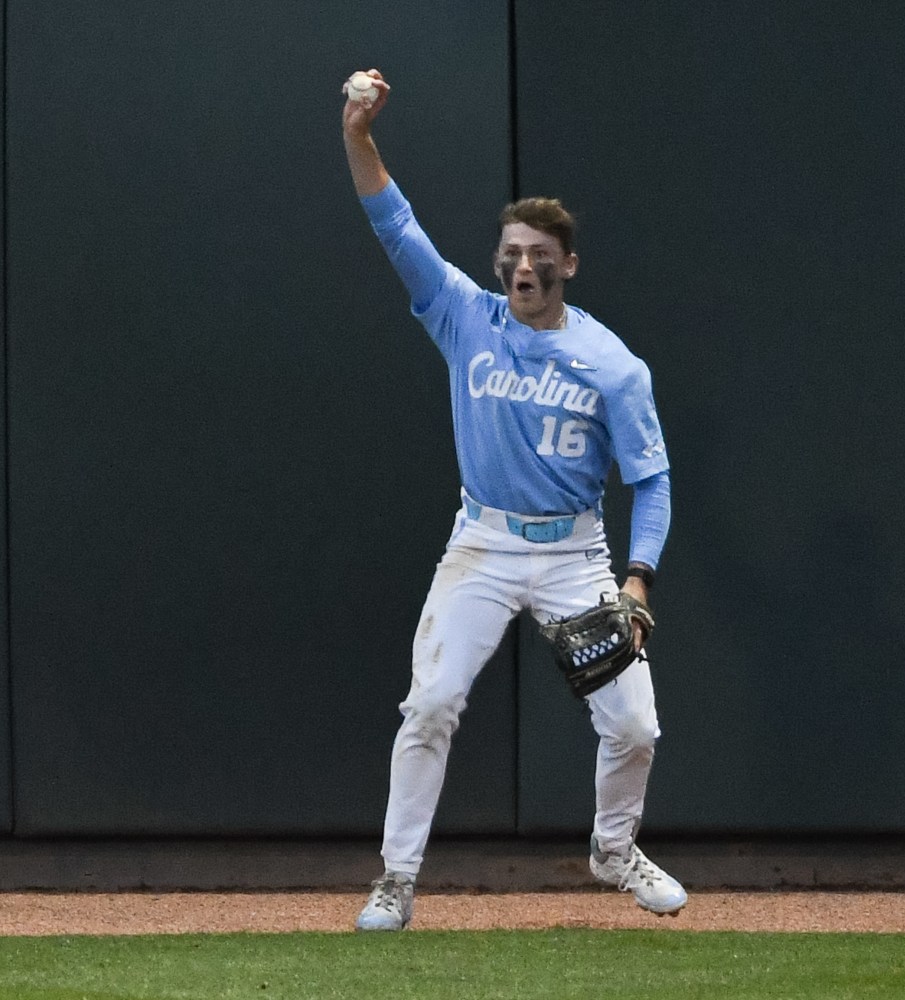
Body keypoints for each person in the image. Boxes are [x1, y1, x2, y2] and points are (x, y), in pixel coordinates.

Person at [341, 69, 686, 931]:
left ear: (567, 264)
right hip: (484, 546)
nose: (522, 262)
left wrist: (637, 580)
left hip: (576, 556)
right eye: (512, 250)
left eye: (540, 252)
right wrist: (358, 132)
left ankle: (614, 851)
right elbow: (396, 226)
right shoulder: (464, 315)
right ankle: (396, 878)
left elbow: (651, 479)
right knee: (429, 704)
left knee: (635, 728)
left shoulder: (614, 366)